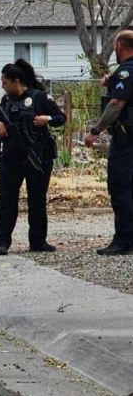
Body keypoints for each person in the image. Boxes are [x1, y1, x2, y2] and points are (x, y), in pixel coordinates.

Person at [0, 59, 66, 255]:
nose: (2, 86)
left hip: (37, 156)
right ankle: (2, 242)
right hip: (11, 157)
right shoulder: (6, 101)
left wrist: (45, 119)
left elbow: (60, 118)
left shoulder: (39, 97)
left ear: (16, 81)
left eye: (5, 82)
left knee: (37, 200)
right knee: (7, 200)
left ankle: (38, 241)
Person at [84, 30, 133, 255]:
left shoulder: (126, 71)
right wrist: (111, 83)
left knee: (120, 187)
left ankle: (123, 240)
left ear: (119, 46)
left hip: (126, 140)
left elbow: (116, 104)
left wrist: (95, 131)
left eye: (115, 46)